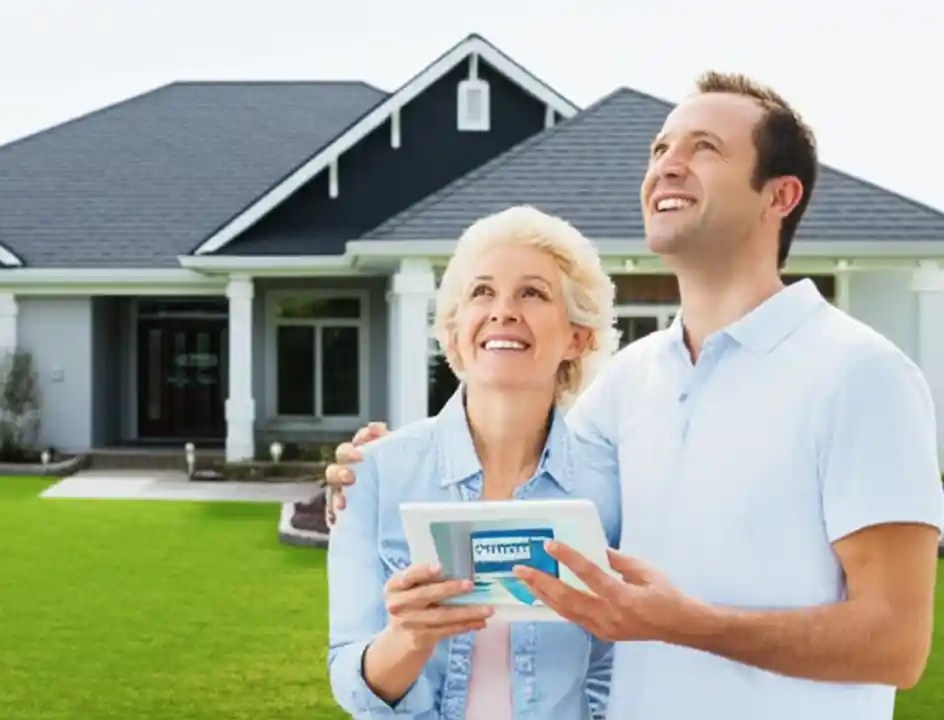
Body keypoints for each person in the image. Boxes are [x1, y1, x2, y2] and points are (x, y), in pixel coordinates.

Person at [325, 71, 944, 720]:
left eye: (705, 148)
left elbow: (896, 644)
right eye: (660, 149)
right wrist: (365, 474)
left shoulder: (863, 375)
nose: (668, 166)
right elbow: (513, 453)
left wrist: (682, 623)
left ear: (779, 195)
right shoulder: (631, 380)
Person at [327, 205, 622, 719]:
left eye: (532, 293)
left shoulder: (611, 488)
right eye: (482, 292)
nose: (503, 311)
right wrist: (408, 637)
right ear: (453, 331)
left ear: (578, 337)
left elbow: (616, 670)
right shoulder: (373, 474)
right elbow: (351, 685)